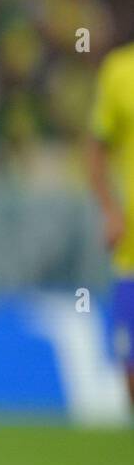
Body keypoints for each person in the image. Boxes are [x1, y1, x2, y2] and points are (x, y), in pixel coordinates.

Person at [88, 34, 134, 407]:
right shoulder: (119, 71)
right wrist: (110, 211)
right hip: (131, 248)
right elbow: (96, 150)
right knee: (130, 367)